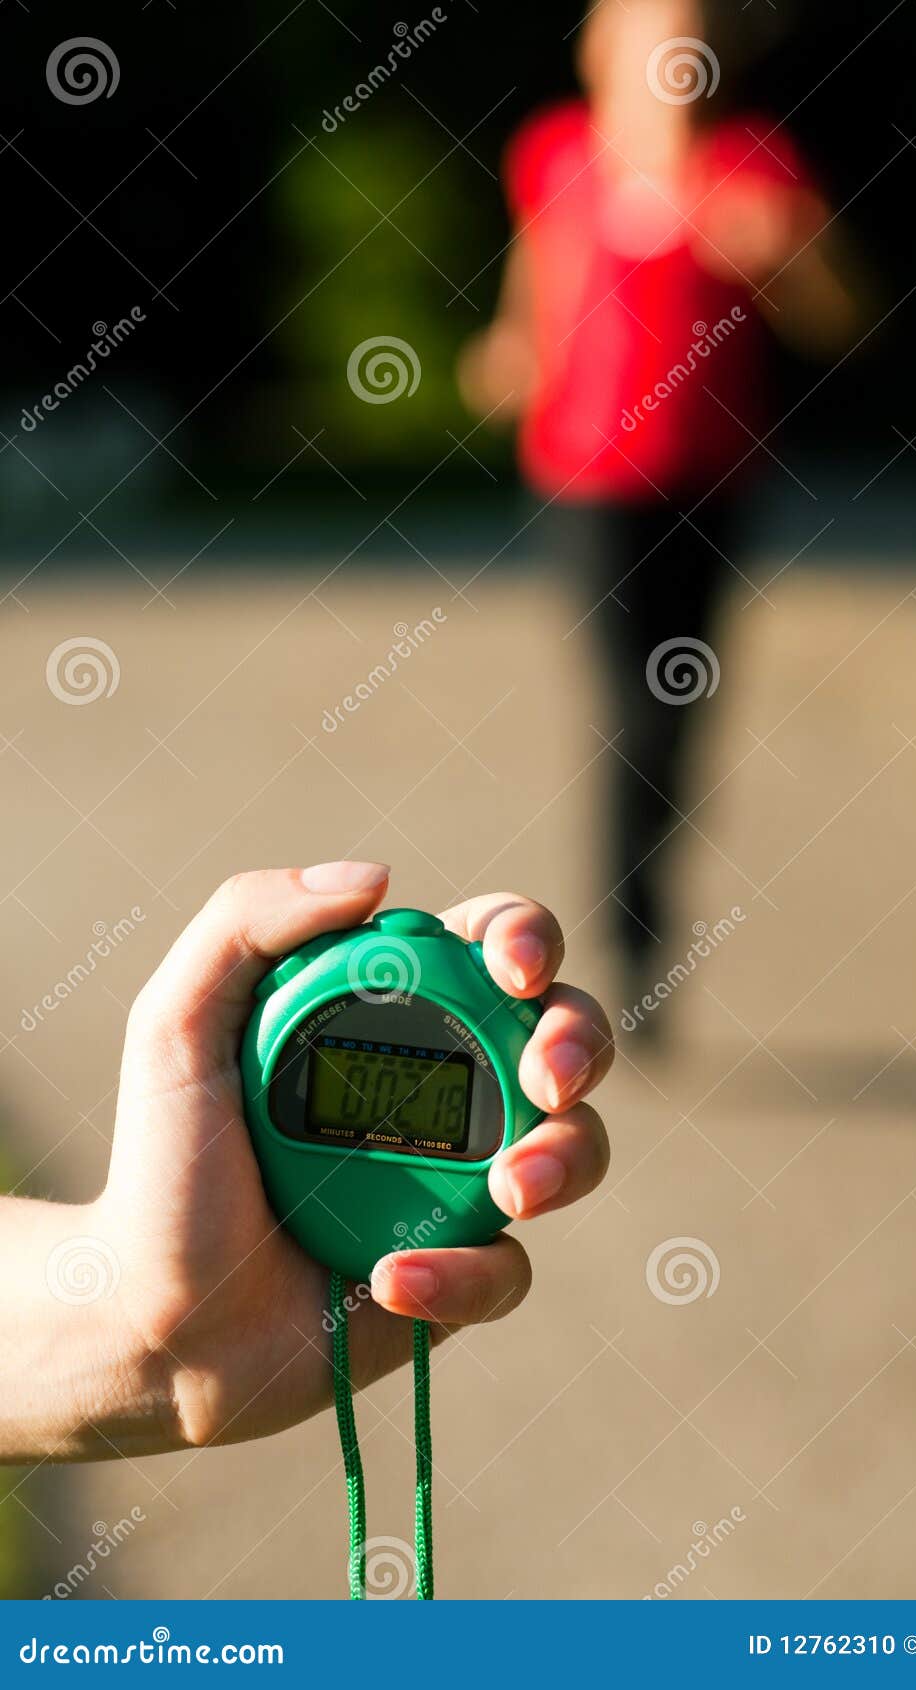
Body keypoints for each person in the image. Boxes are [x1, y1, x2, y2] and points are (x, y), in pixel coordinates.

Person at [460, 0, 862, 1011]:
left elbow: (842, 320)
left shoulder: (752, 163)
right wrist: (503, 360)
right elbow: (530, 313)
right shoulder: (555, 156)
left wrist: (787, 256)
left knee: (680, 710)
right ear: (603, 52)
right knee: (630, 710)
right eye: (647, 38)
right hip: (586, 481)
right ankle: (627, 928)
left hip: (715, 482)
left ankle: (651, 902)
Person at [0, 864, 612, 1460]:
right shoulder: (475, 999)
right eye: (360, 1086)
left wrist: (159, 1345)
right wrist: (145, 1332)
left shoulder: (313, 985)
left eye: (429, 1094)